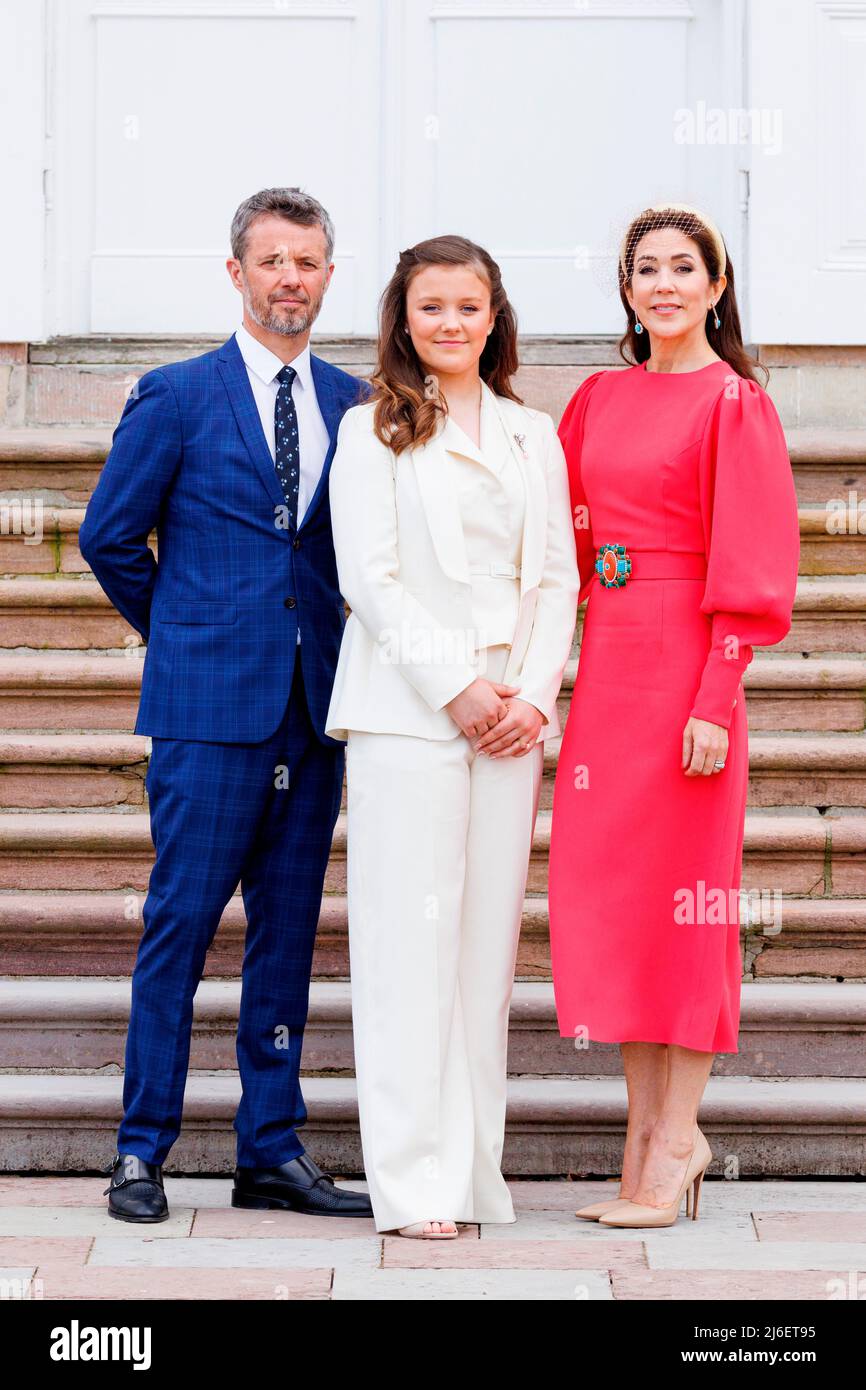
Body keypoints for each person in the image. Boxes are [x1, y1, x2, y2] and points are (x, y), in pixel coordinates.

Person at [79, 187, 373, 1223]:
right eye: (272, 260)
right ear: (237, 273)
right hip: (207, 713)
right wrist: (189, 633)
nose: (290, 277)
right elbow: (108, 537)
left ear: (328, 276)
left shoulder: (357, 404)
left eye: (308, 261)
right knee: (181, 928)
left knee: (286, 938)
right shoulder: (176, 394)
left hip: (313, 709)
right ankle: (139, 1152)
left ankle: (269, 1151)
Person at [548, 202, 800, 1229]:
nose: (661, 283)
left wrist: (714, 698)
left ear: (714, 285)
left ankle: (678, 1136)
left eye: (680, 268)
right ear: (624, 286)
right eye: (643, 267)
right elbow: (549, 530)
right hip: (606, 670)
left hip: (687, 682)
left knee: (687, 912)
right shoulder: (596, 398)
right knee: (618, 913)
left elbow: (749, 568)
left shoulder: (733, 404)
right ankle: (643, 1141)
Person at [324, 235, 579, 1237]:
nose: (449, 324)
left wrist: (527, 692)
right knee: (405, 948)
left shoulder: (532, 433)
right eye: (429, 307)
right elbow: (368, 580)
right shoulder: (370, 430)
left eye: (466, 306)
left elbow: (554, 574)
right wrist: (459, 686)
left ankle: (472, 1175)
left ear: (492, 314)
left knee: (481, 954)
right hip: (407, 713)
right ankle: (412, 1185)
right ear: (402, 318)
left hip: (508, 725)